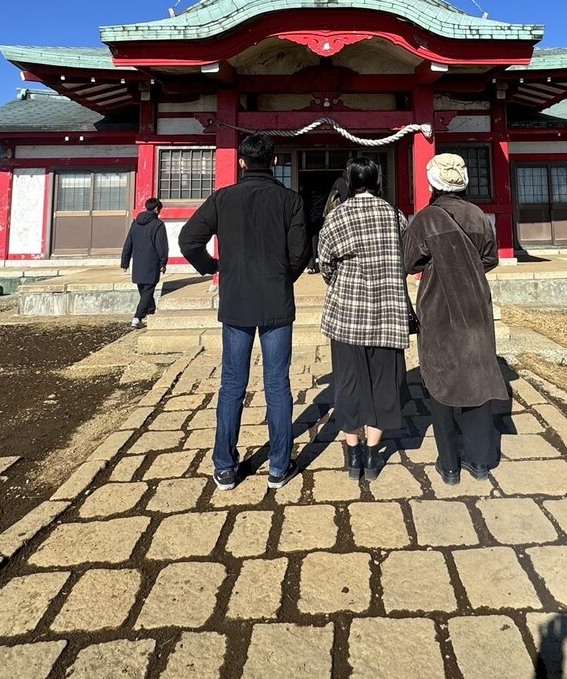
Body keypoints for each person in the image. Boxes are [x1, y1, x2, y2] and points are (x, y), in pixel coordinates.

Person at [180, 133, 309, 491]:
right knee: (277, 385)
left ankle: (224, 467)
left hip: (235, 300)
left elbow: (188, 239)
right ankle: (279, 467)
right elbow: (301, 252)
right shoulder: (290, 200)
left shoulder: (223, 198)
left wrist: (213, 266)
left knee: (232, 384)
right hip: (276, 301)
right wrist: (283, 278)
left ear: (241, 162)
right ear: (274, 161)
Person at [403, 152, 509, 486]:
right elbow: (490, 259)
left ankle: (449, 465)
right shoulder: (479, 216)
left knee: (440, 381)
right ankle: (480, 461)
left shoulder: (425, 219)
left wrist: (438, 266)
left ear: (433, 181)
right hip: (476, 306)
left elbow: (409, 262)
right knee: (477, 379)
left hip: (438, 308)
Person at [316, 156, 411, 481]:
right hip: (388, 314)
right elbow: (407, 258)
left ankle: (353, 452)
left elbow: (325, 263)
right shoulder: (394, 215)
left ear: (350, 181)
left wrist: (341, 283)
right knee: (384, 384)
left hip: (347, 316)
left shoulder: (338, 216)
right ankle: (373, 455)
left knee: (348, 383)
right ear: (378, 182)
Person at [121, 197, 169, 330]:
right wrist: (163, 262)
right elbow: (161, 245)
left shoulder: (135, 224)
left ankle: (151, 311)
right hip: (151, 262)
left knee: (144, 290)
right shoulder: (158, 224)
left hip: (138, 263)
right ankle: (137, 317)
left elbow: (128, 244)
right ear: (156, 209)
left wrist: (124, 262)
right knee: (148, 290)